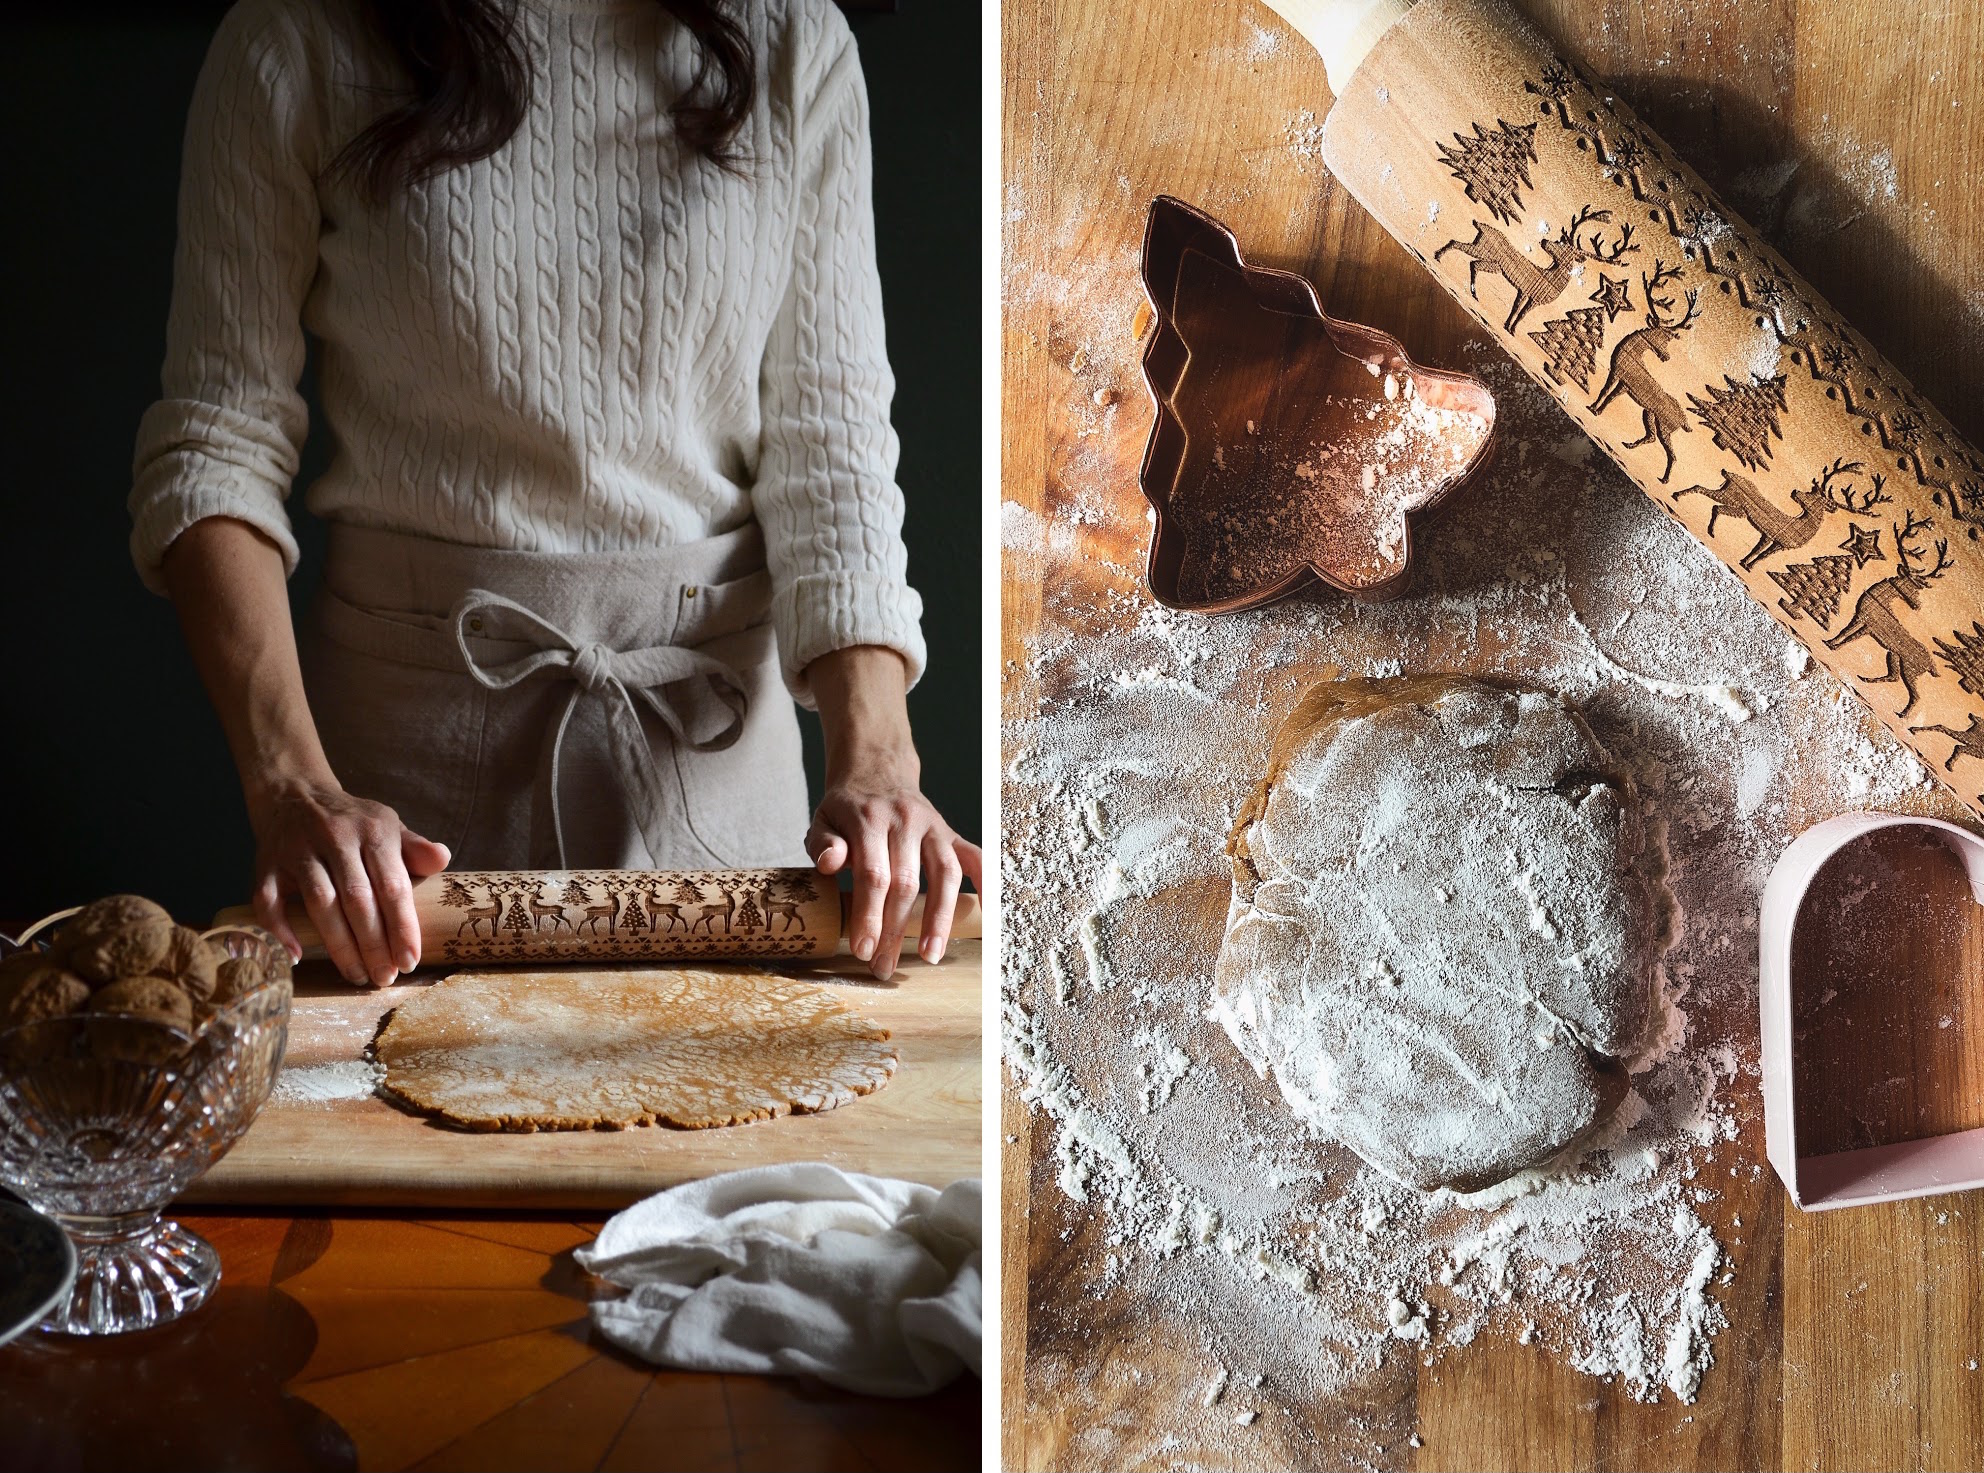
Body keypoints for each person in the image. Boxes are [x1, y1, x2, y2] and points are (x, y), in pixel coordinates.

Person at [130, 0, 977, 985]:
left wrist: (878, 764)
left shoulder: (793, 38)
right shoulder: (296, 38)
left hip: (722, 794)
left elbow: (830, 449)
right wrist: (292, 792)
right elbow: (216, 445)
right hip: (396, 841)